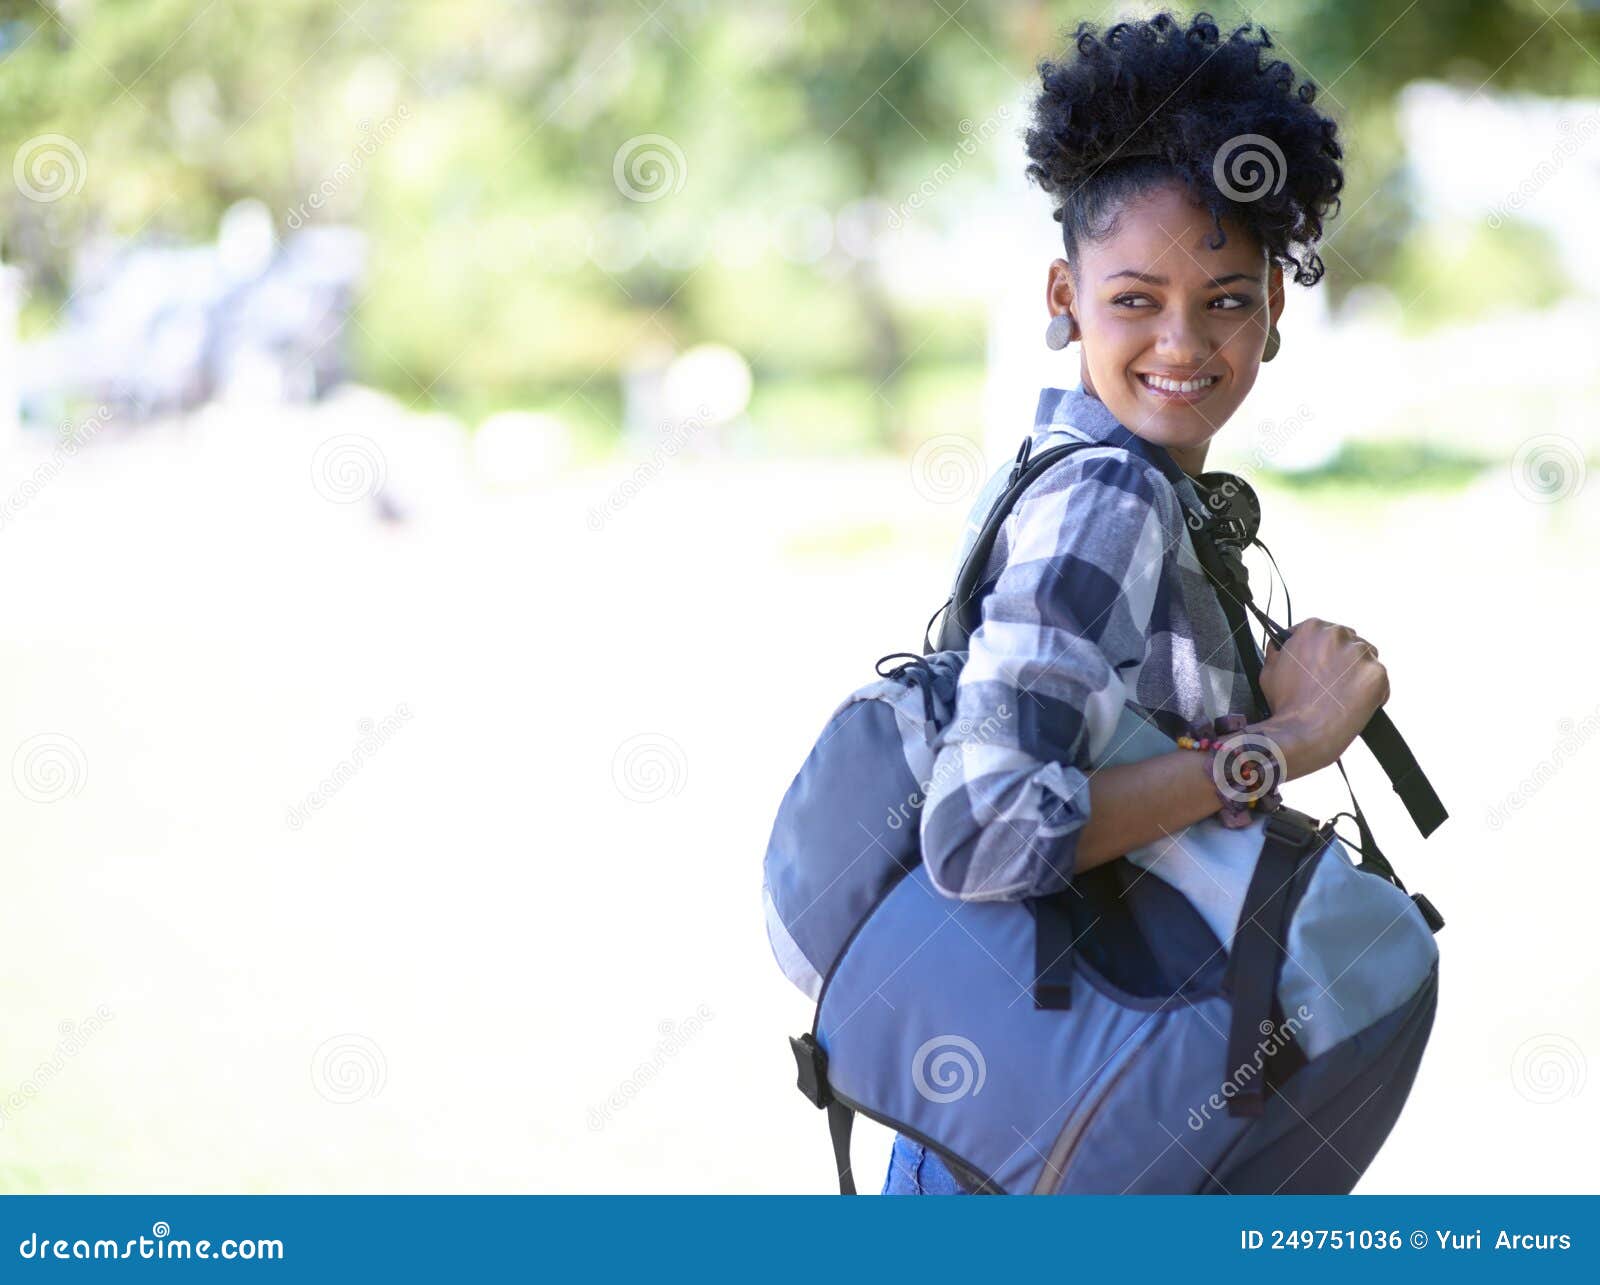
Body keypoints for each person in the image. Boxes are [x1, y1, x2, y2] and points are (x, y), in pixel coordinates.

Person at [883, 9, 1389, 1196]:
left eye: (1223, 298)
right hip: (1025, 1152)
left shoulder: (1111, 480)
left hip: (1032, 1115)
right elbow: (984, 827)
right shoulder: (1106, 493)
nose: (1182, 341)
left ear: (1275, 303)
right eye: (1133, 299)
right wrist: (1280, 747)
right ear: (1065, 294)